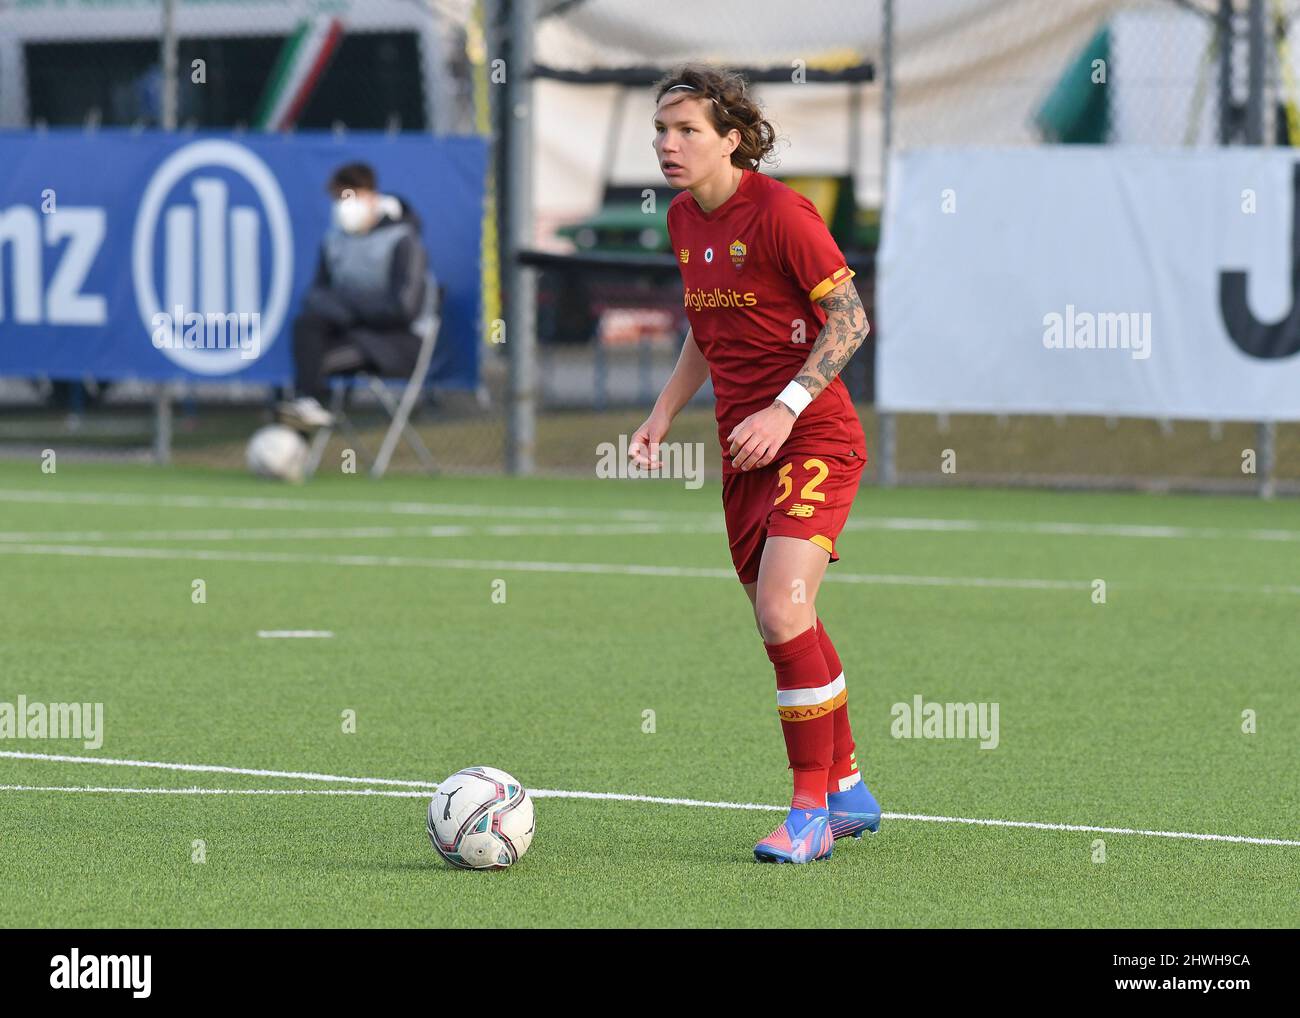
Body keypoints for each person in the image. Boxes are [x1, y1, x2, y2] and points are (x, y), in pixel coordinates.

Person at [631, 64, 882, 864]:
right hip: (744, 452)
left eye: (687, 131)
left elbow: (850, 321)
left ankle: (810, 813)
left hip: (813, 437)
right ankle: (847, 784)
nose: (670, 145)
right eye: (662, 132)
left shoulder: (781, 214)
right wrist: (664, 410)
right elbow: (705, 328)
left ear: (731, 139)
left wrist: (786, 407)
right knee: (788, 619)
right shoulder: (681, 219)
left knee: (782, 610)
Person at [278, 162, 430, 433]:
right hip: (349, 334)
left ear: (371, 196)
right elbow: (316, 296)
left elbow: (404, 309)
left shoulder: (403, 240)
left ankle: (307, 416)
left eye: (350, 196)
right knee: (306, 325)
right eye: (339, 198)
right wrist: (344, 311)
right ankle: (306, 411)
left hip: (394, 342)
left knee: (314, 364)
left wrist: (348, 309)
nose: (343, 205)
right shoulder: (334, 241)